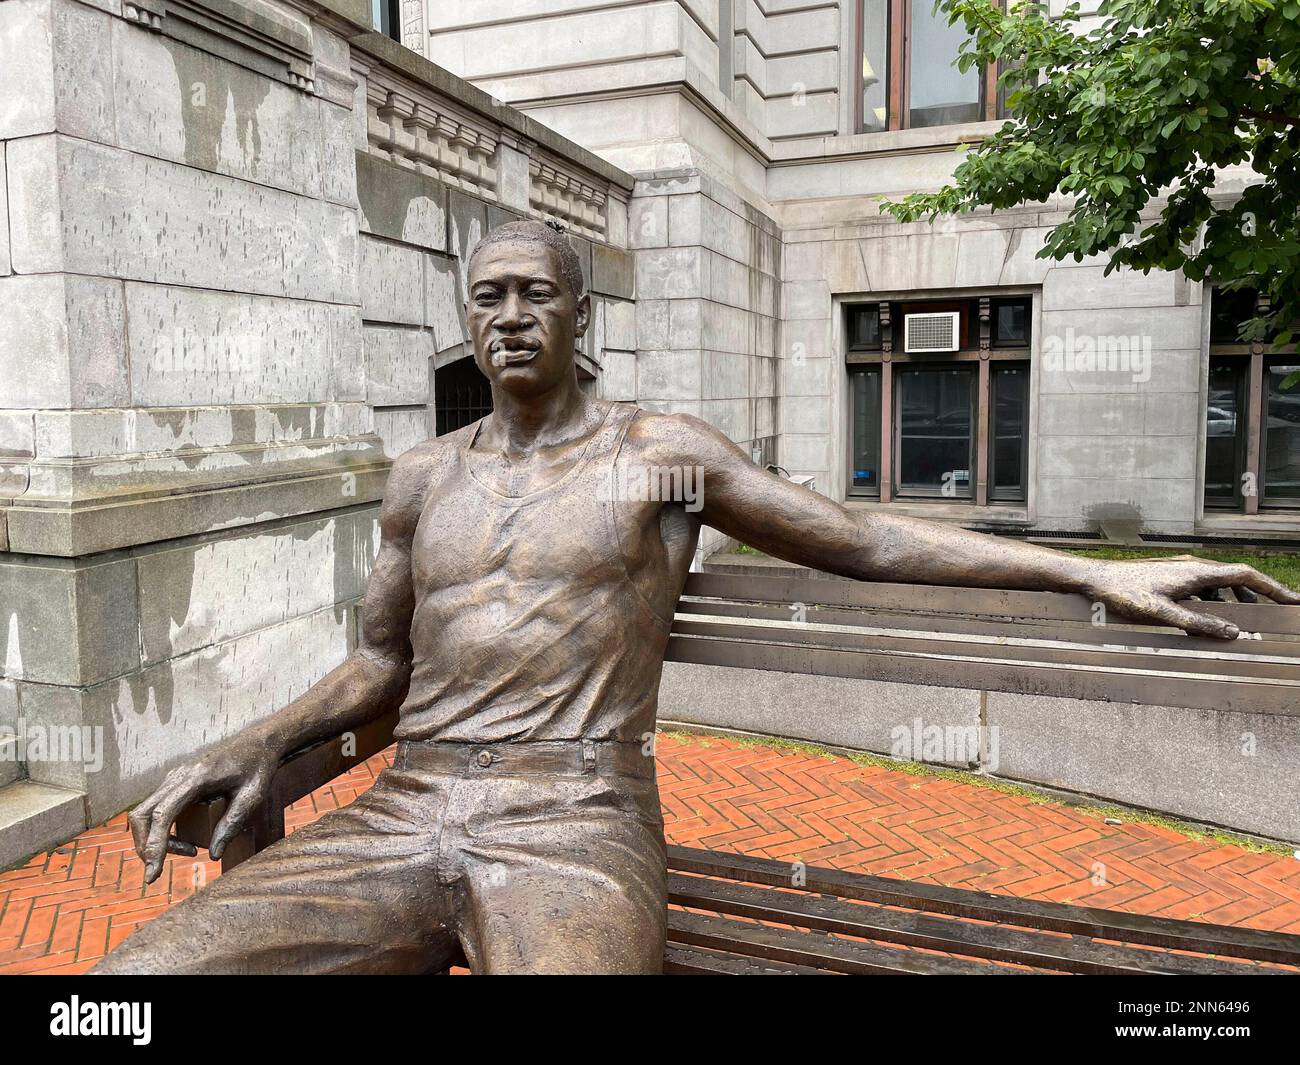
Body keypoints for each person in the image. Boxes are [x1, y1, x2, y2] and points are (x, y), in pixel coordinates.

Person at [93, 220, 1297, 974]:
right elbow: (377, 664)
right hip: (401, 810)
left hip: (571, 822)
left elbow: (861, 540)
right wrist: (257, 737)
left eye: (536, 296)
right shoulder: (422, 478)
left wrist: (1091, 567)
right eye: (489, 298)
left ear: (581, 314)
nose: (510, 317)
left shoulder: (659, 455)